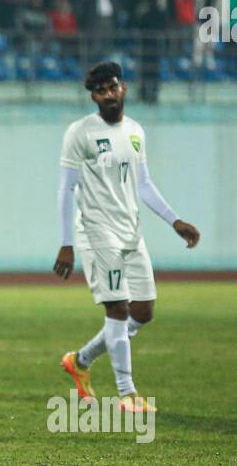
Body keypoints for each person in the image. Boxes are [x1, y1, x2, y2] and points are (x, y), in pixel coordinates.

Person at [53, 61, 200, 412]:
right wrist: (66, 243)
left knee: (143, 311)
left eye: (113, 87)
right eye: (101, 90)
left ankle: (81, 361)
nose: (108, 94)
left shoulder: (135, 131)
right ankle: (127, 393)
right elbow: (65, 189)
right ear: (93, 96)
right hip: (97, 231)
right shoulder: (80, 133)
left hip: (131, 231)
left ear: (124, 88)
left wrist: (174, 220)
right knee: (117, 308)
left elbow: (144, 183)